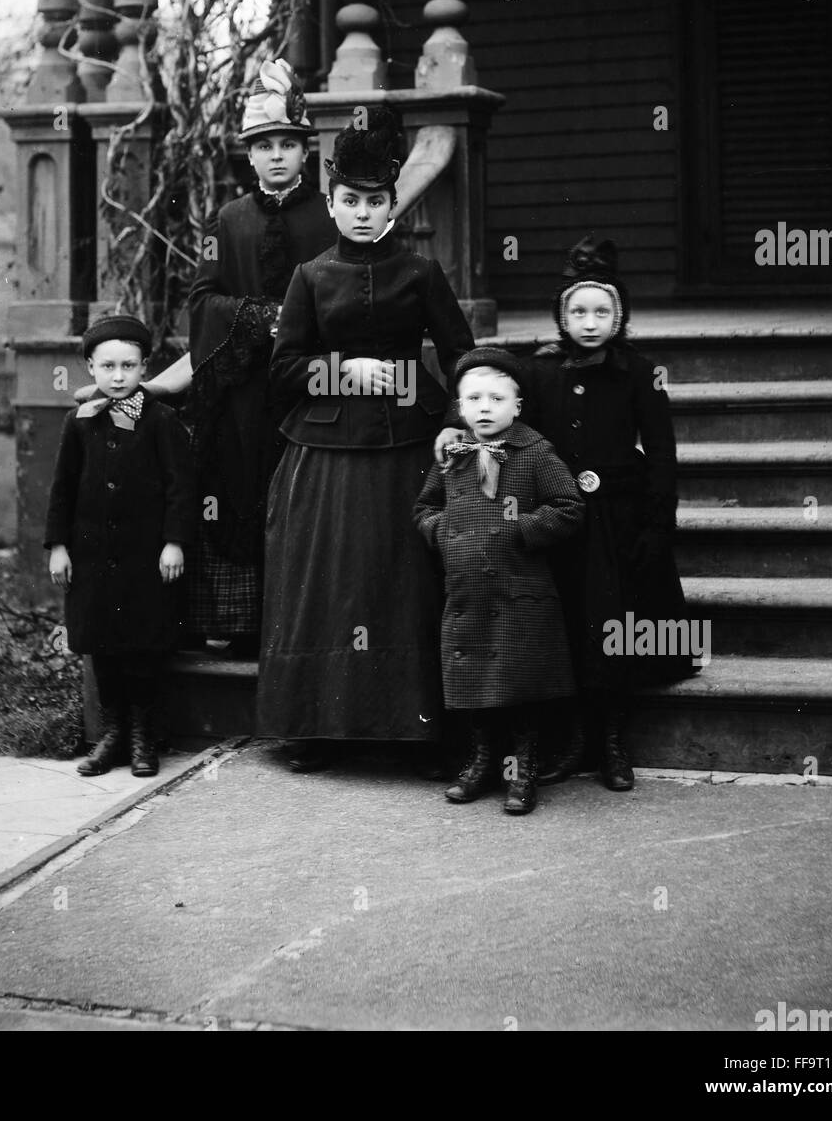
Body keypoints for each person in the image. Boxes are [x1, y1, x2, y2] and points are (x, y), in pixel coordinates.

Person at [257, 107, 475, 772]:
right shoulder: (311, 276)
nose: (361, 213)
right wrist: (341, 369)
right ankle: (315, 728)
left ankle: (420, 732)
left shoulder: (421, 273)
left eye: (374, 201)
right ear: (330, 202)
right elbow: (283, 370)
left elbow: (462, 355)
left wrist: (453, 424)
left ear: (391, 205)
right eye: (349, 200)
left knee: (405, 585)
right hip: (326, 455)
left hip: (409, 447)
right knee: (328, 587)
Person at [440, 236, 693, 792]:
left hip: (616, 523)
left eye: (602, 311)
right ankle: (571, 737)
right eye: (578, 311)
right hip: (558, 520)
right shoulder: (538, 372)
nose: (589, 322)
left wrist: (656, 526)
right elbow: (490, 399)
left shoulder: (639, 373)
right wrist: (454, 426)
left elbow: (663, 457)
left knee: (611, 629)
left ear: (619, 315)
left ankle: (611, 741)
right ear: (561, 315)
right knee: (562, 629)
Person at [138, 58, 335, 655]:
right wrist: (258, 316)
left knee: (302, 495)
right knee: (238, 489)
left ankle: (301, 621)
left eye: (288, 145)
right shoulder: (228, 221)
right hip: (242, 385)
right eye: (264, 147)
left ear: (306, 152)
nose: (277, 156)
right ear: (249, 157)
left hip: (308, 385)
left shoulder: (329, 216)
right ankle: (245, 622)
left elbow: (344, 293)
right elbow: (202, 300)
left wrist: (297, 325)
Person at [414, 349, 584, 814]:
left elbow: (568, 507)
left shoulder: (535, 452)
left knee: (519, 687)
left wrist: (518, 529)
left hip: (518, 592)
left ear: (517, 406)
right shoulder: (452, 456)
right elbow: (424, 508)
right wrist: (441, 531)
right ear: (460, 407)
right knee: (473, 685)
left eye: (496, 398)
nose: (485, 407)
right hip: (467, 590)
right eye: (474, 399)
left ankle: (523, 769)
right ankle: (482, 762)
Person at [45, 315, 197, 778]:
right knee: (104, 649)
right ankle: (111, 734)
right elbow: (62, 489)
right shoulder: (79, 423)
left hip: (144, 561)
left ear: (144, 367)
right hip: (92, 561)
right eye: (107, 366)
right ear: (90, 367)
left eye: (128, 366)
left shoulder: (161, 421)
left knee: (143, 649)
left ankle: (142, 738)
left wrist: (174, 542)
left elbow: (180, 489)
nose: (117, 376)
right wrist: (58, 546)